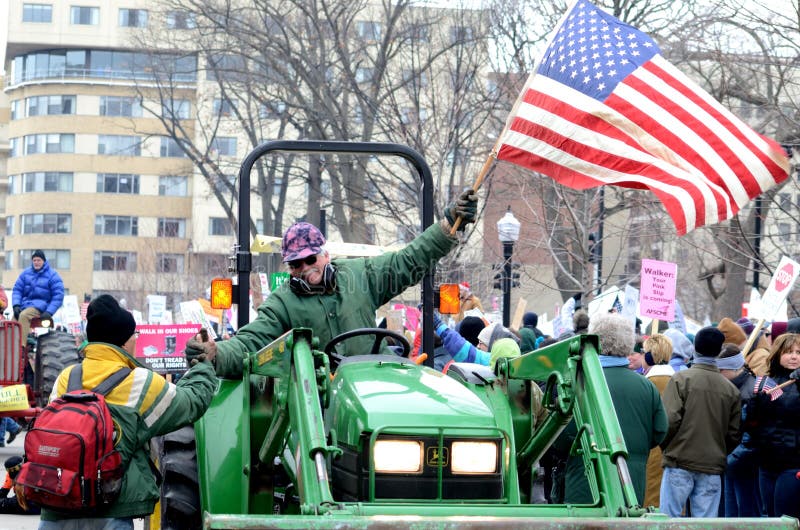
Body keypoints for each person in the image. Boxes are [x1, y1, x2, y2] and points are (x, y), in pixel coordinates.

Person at [185, 190, 479, 375]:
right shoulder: (283, 303)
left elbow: (407, 260)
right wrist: (217, 352)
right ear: (289, 267)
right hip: (320, 396)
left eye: (311, 259)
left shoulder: (359, 276)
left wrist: (446, 227)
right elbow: (251, 343)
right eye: (296, 264)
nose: (305, 268)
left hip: (375, 380)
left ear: (325, 255)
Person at [38, 295, 217, 529]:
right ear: (124, 342)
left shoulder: (66, 378)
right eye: (135, 336)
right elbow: (192, 402)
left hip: (56, 511)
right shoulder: (139, 382)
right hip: (110, 513)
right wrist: (203, 363)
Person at [557, 313, 667, 505]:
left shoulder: (576, 381)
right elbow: (660, 431)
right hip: (631, 484)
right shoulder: (646, 386)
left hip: (585, 482)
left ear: (594, 340)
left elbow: (561, 437)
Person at [659, 326, 741, 518]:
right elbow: (734, 434)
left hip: (679, 461)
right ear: (719, 351)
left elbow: (669, 421)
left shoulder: (680, 380)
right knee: (705, 523)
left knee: (668, 521)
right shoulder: (730, 390)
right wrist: (717, 451)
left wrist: (668, 448)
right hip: (711, 465)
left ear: (694, 349)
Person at [745, 333, 800, 519]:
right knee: (769, 516)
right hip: (766, 463)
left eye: (799, 352)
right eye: (788, 352)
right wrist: (753, 412)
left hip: (793, 464)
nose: (794, 356)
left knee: (784, 517)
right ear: (777, 354)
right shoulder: (764, 383)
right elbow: (752, 429)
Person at [717, 343, 762, 518]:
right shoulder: (733, 387)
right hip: (732, 462)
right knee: (732, 517)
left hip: (745, 465)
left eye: (720, 370)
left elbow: (752, 436)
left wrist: (730, 460)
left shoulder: (749, 392)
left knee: (745, 515)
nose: (718, 374)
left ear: (733, 368)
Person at [641, 333, 675, 509]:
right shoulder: (679, 380)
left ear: (649, 356)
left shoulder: (646, 384)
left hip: (651, 452)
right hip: (676, 453)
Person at [12, 250, 65, 342]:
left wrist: (49, 312)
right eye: (34, 260)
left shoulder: (52, 275)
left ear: (44, 261)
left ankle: (20, 347)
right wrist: (16, 305)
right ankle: (8, 347)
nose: (36, 262)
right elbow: (17, 290)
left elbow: (58, 296)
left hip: (40, 306)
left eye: (39, 260)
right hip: (25, 305)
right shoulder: (25, 274)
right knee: (12, 322)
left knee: (24, 315)